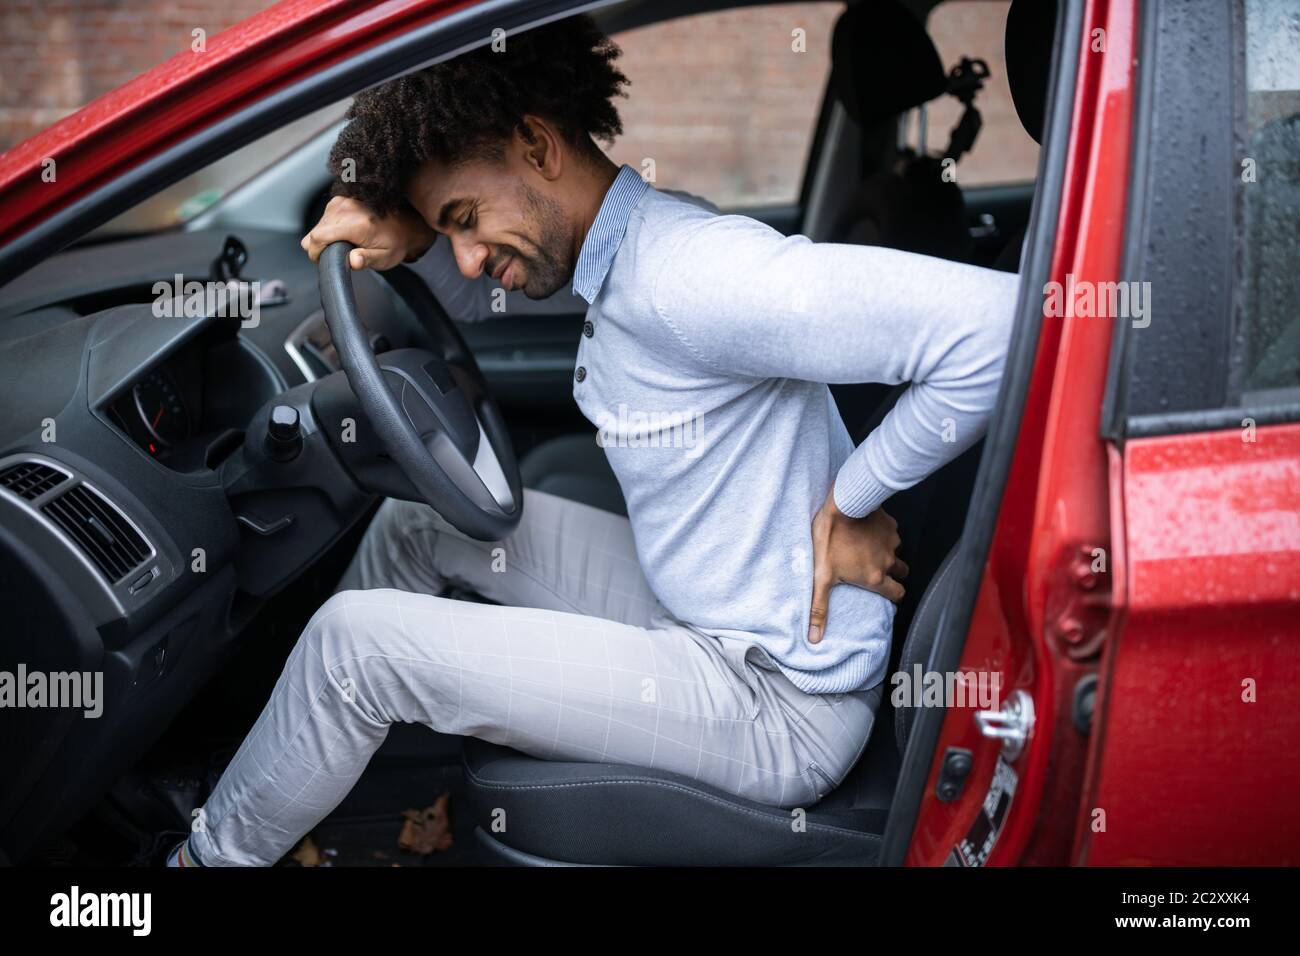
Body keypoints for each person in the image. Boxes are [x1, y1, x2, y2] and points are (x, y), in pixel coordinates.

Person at [168, 14, 1018, 867]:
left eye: (466, 218)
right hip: (702, 610)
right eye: (449, 231)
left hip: (777, 700)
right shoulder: (621, 250)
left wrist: (855, 495)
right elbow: (475, 298)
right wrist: (418, 236)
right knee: (416, 526)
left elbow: (995, 326)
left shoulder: (694, 275)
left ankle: (206, 861)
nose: (465, 258)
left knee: (353, 646)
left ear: (537, 146)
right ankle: (343, 785)